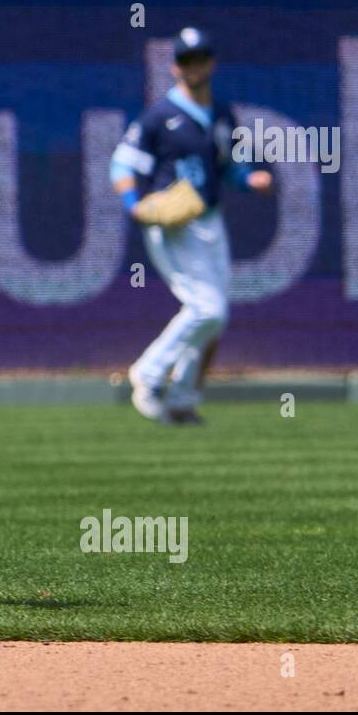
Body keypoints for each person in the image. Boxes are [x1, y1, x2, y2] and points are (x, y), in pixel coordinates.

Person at [109, 27, 274, 425]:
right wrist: (133, 203)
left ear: (210, 63)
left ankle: (182, 399)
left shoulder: (221, 114)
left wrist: (249, 179)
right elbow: (122, 163)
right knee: (208, 309)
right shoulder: (159, 117)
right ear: (174, 67)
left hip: (210, 220)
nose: (192, 66)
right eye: (184, 60)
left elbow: (229, 166)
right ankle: (148, 374)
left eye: (198, 58)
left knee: (215, 318)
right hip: (174, 223)